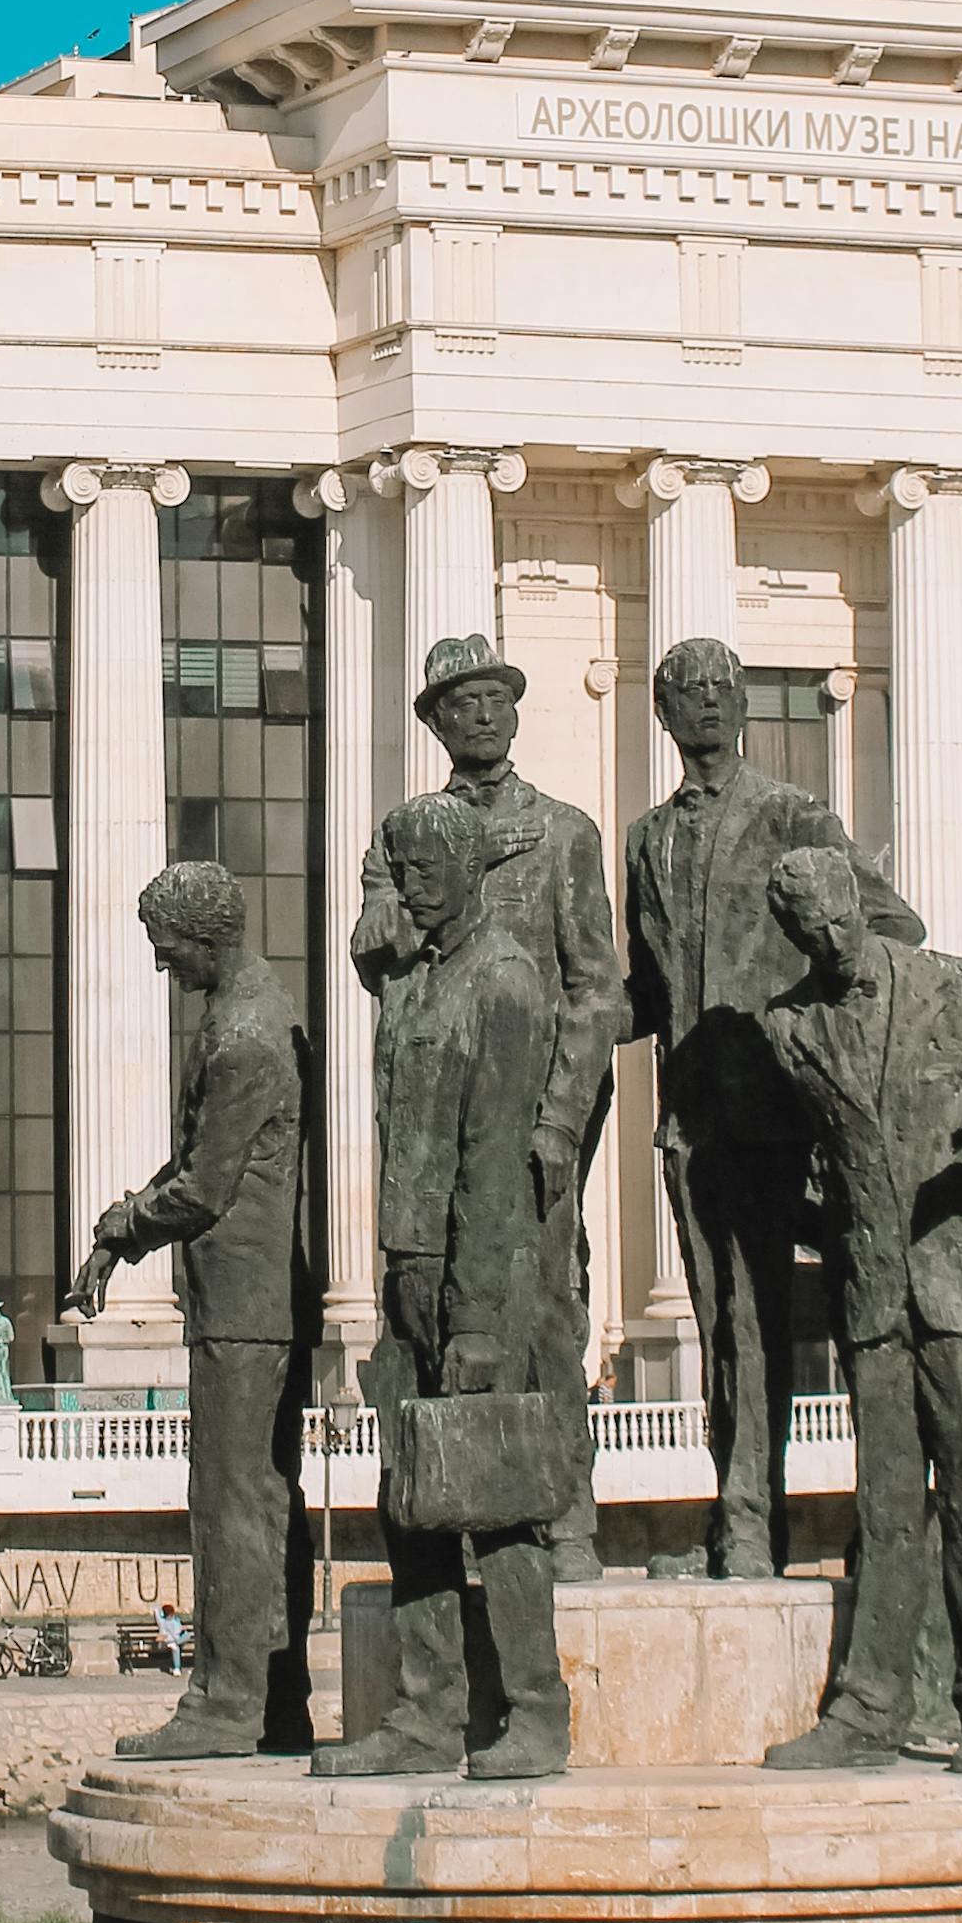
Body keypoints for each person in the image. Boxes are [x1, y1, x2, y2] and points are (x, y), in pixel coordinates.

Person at [620, 636, 923, 1580]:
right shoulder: (648, 838)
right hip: (693, 1117)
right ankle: (742, 1512)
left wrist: (807, 1024)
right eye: (686, 691)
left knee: (791, 1319)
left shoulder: (795, 815)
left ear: (743, 704)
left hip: (787, 1113)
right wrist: (560, 1008)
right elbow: (647, 985)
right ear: (663, 714)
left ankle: (771, 1521)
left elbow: (890, 931)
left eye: (722, 687)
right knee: (721, 1324)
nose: (706, 702)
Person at [753, 846, 962, 1778]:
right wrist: (824, 1216)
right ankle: (870, 1710)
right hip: (873, 1290)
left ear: (861, 904)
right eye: (811, 935)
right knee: (886, 1508)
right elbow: (810, 1166)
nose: (832, 942)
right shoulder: (789, 1027)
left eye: (840, 922)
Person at [319, 788, 584, 1781]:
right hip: (405, 1270)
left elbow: (490, 1157)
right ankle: (426, 1713)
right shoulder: (417, 982)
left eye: (422, 870)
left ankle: (533, 1712)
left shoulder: (504, 981)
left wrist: (475, 1318)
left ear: (468, 868)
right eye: (399, 870)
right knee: (411, 1495)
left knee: (497, 1497)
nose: (408, 887)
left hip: (478, 1280)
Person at [351, 633, 623, 1573]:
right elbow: (370, 946)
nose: (481, 714)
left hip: (533, 1111)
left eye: (495, 698)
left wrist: (561, 1114)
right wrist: (420, 888)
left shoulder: (564, 832)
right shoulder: (404, 835)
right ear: (433, 719)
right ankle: (455, 1518)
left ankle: (567, 1513)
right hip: (430, 1112)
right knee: (425, 1312)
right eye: (459, 702)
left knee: (547, 1307)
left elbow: (599, 989)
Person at [64, 860, 315, 1757]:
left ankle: (226, 1704)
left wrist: (123, 1222)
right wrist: (121, 1238)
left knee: (229, 1502)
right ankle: (277, 1703)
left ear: (206, 940)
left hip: (244, 1304)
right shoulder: (259, 1007)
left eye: (168, 953)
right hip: (255, 1299)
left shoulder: (243, 1034)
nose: (163, 968)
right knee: (262, 1499)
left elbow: (205, 1187)